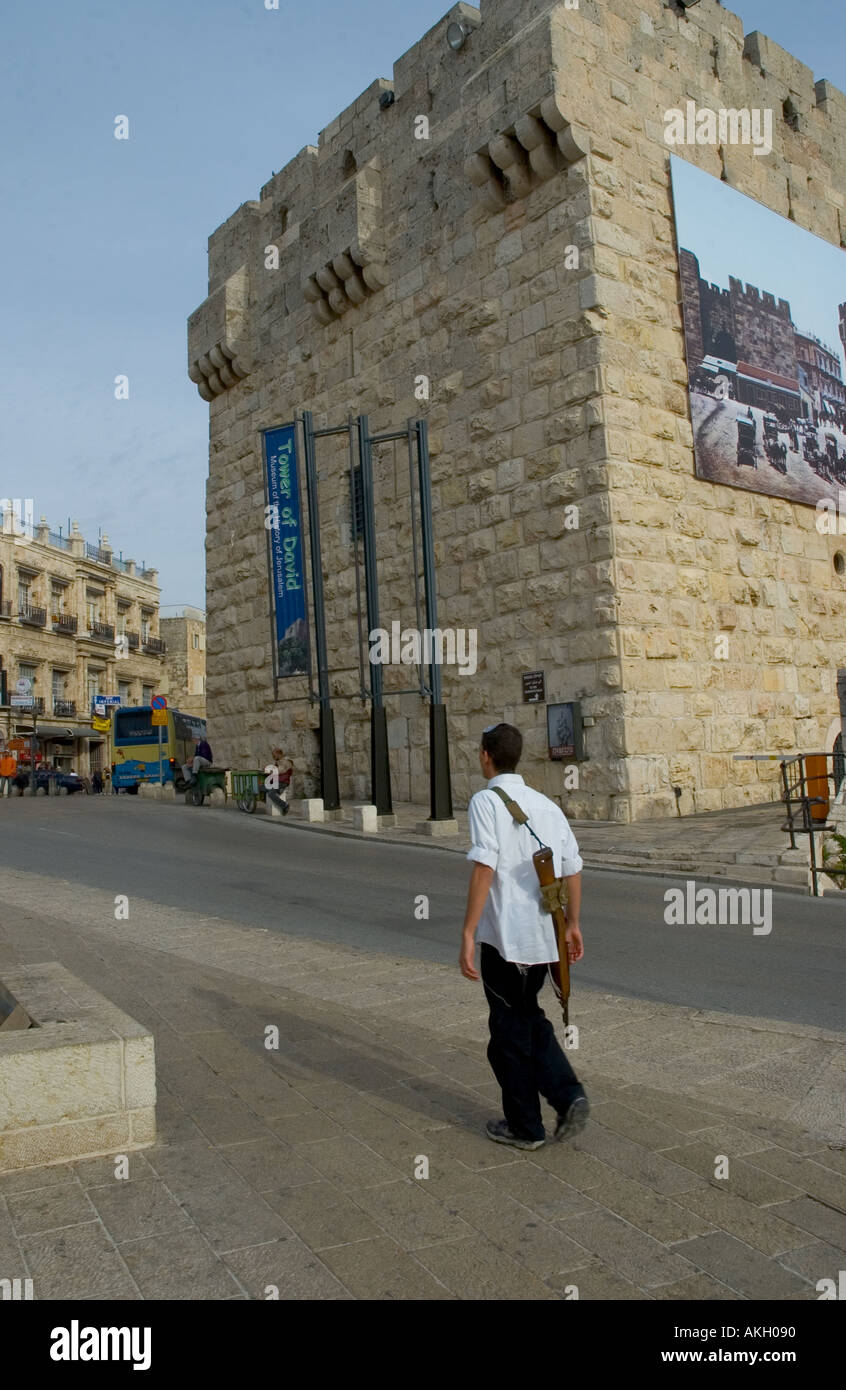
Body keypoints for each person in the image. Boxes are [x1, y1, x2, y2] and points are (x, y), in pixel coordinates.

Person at [459, 722, 588, 1151]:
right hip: (544, 941)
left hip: (505, 941)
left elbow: (484, 866)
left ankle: (526, 1126)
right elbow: (572, 867)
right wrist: (572, 924)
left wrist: (467, 931)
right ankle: (567, 1095)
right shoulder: (547, 805)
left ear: (485, 755)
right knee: (525, 1018)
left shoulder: (485, 801)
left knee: (509, 1036)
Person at [265, 747, 293, 815]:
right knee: (262, 787)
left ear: (279, 754)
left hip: (282, 783)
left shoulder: (285, 762)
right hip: (277, 782)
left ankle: (284, 805)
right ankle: (272, 801)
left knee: (271, 793)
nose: (273, 757)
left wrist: (269, 771)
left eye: (274, 755)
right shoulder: (279, 762)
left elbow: (279, 770)